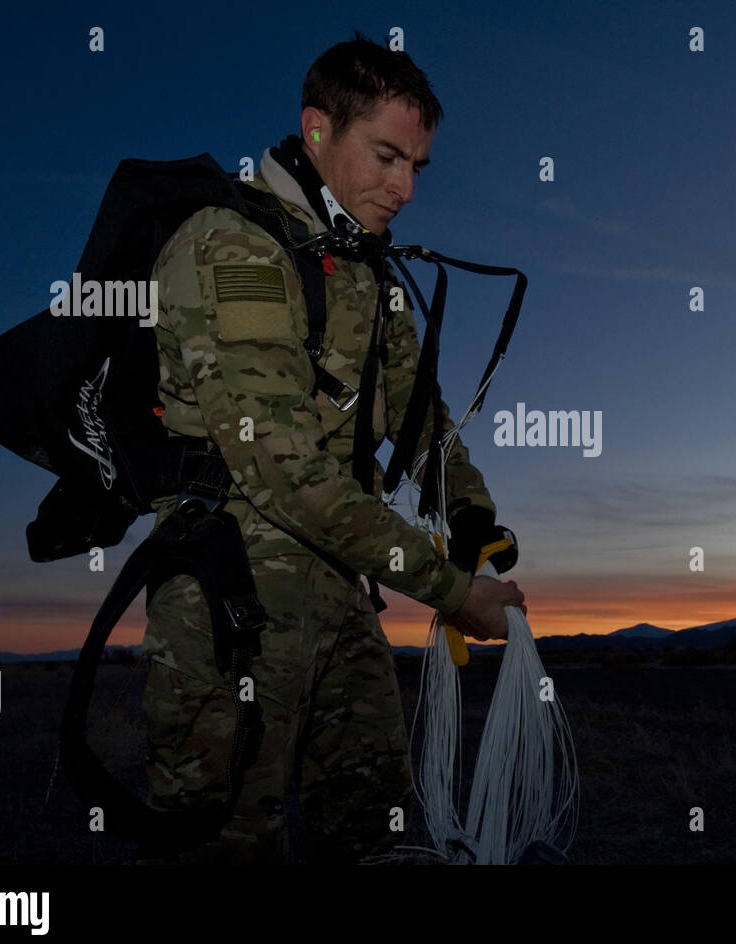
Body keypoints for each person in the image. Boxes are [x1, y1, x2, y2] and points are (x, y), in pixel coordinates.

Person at [139, 32, 525, 863]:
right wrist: (452, 590)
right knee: (223, 839)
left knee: (369, 821)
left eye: (418, 165)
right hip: (229, 603)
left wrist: (468, 506)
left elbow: (419, 411)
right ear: (318, 129)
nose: (405, 187)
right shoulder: (232, 245)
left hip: (341, 592)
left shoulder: (364, 269)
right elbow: (287, 474)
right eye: (387, 156)